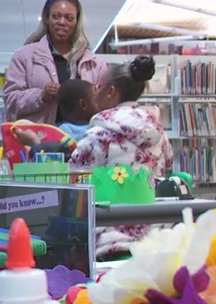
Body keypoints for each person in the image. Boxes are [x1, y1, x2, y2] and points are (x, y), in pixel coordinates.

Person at [70, 55, 173, 258]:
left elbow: (74, 179)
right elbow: (167, 164)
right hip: (154, 241)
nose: (95, 94)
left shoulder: (99, 136)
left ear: (110, 91)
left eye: (98, 87)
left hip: (108, 242)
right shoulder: (159, 133)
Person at [3, 0, 107, 124]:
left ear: (77, 22)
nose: (62, 22)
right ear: (46, 18)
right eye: (56, 16)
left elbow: (106, 104)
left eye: (69, 18)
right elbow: (10, 101)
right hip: (40, 138)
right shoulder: (25, 56)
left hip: (84, 139)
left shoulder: (94, 63)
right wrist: (41, 95)